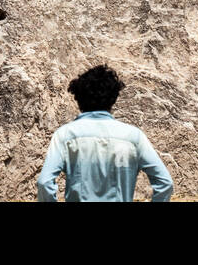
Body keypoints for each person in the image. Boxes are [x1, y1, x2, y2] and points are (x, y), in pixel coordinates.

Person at [36, 65, 174, 202]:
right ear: (114, 98)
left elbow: (44, 182)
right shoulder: (133, 137)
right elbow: (165, 183)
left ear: (78, 98)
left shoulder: (65, 135)